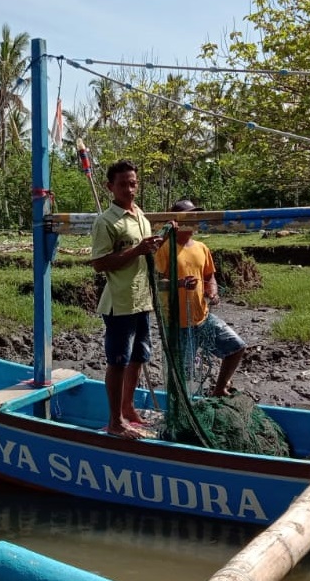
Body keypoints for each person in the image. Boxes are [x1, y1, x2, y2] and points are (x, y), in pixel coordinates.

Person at [90, 159, 164, 438]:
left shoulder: (140, 215)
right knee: (118, 361)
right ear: (110, 187)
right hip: (120, 302)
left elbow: (144, 252)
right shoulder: (106, 221)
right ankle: (114, 421)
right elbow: (99, 263)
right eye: (123, 184)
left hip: (142, 299)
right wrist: (137, 250)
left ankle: (128, 408)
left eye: (133, 183)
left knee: (139, 356)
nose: (129, 189)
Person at [155, 199, 245, 397]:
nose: (194, 222)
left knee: (236, 347)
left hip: (202, 318)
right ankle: (182, 406)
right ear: (176, 221)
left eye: (196, 217)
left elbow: (209, 275)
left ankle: (220, 388)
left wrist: (213, 291)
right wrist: (179, 284)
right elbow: (156, 283)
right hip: (177, 324)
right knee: (183, 374)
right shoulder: (164, 248)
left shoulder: (201, 247)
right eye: (189, 217)